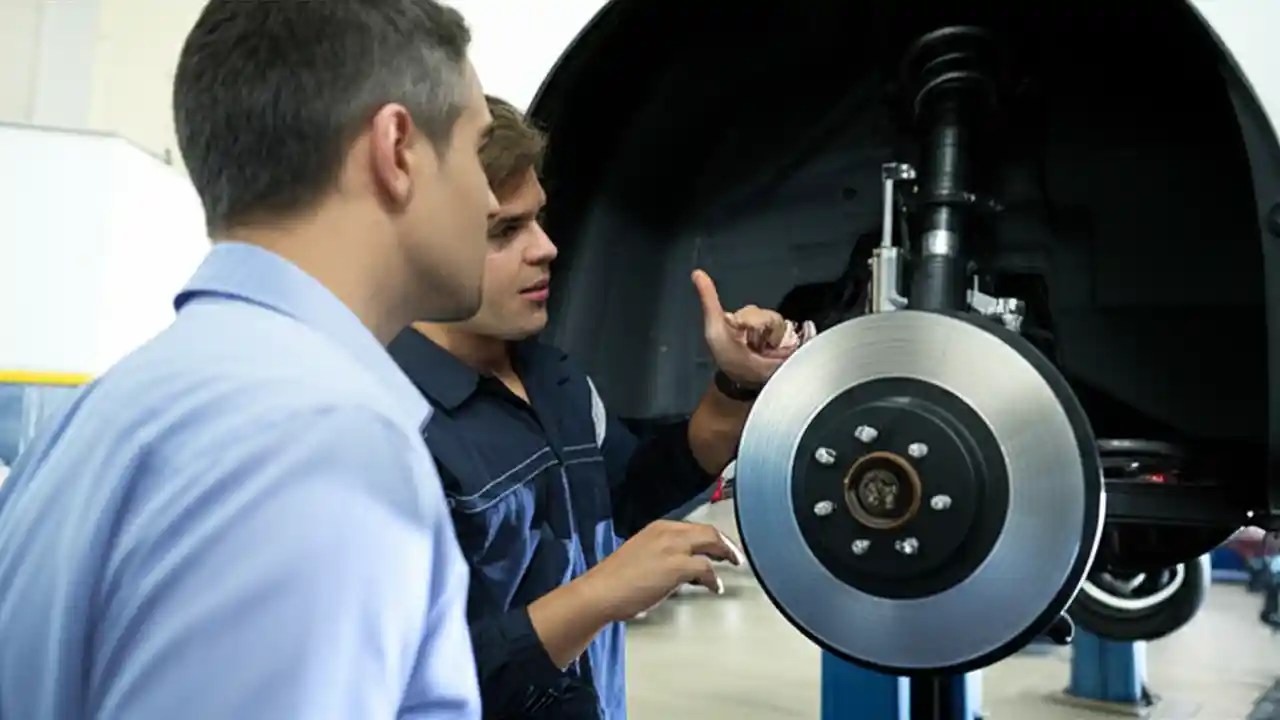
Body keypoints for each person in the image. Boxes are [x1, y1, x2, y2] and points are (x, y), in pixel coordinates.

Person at [0, 2, 496, 719]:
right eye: (478, 152)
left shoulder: (105, 414)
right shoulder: (317, 444)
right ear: (396, 150)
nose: (488, 198)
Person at [387, 95, 813, 719]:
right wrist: (598, 595)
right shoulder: (390, 425)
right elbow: (405, 684)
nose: (547, 248)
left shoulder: (550, 375)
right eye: (506, 230)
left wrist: (737, 387)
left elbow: (630, 491)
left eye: (540, 219)